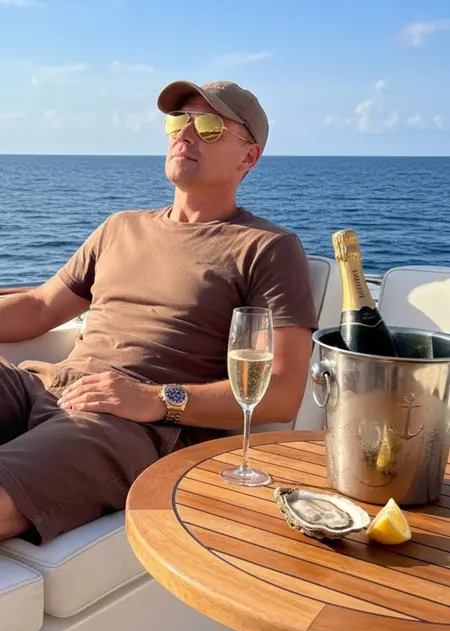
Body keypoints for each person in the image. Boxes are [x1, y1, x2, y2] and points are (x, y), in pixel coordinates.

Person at [0, 80, 317, 545]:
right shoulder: (120, 227)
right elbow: (40, 306)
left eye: (208, 127)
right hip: (45, 384)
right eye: (177, 122)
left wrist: (155, 399)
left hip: (130, 423)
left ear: (248, 157)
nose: (184, 134)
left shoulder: (267, 248)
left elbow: (282, 392)